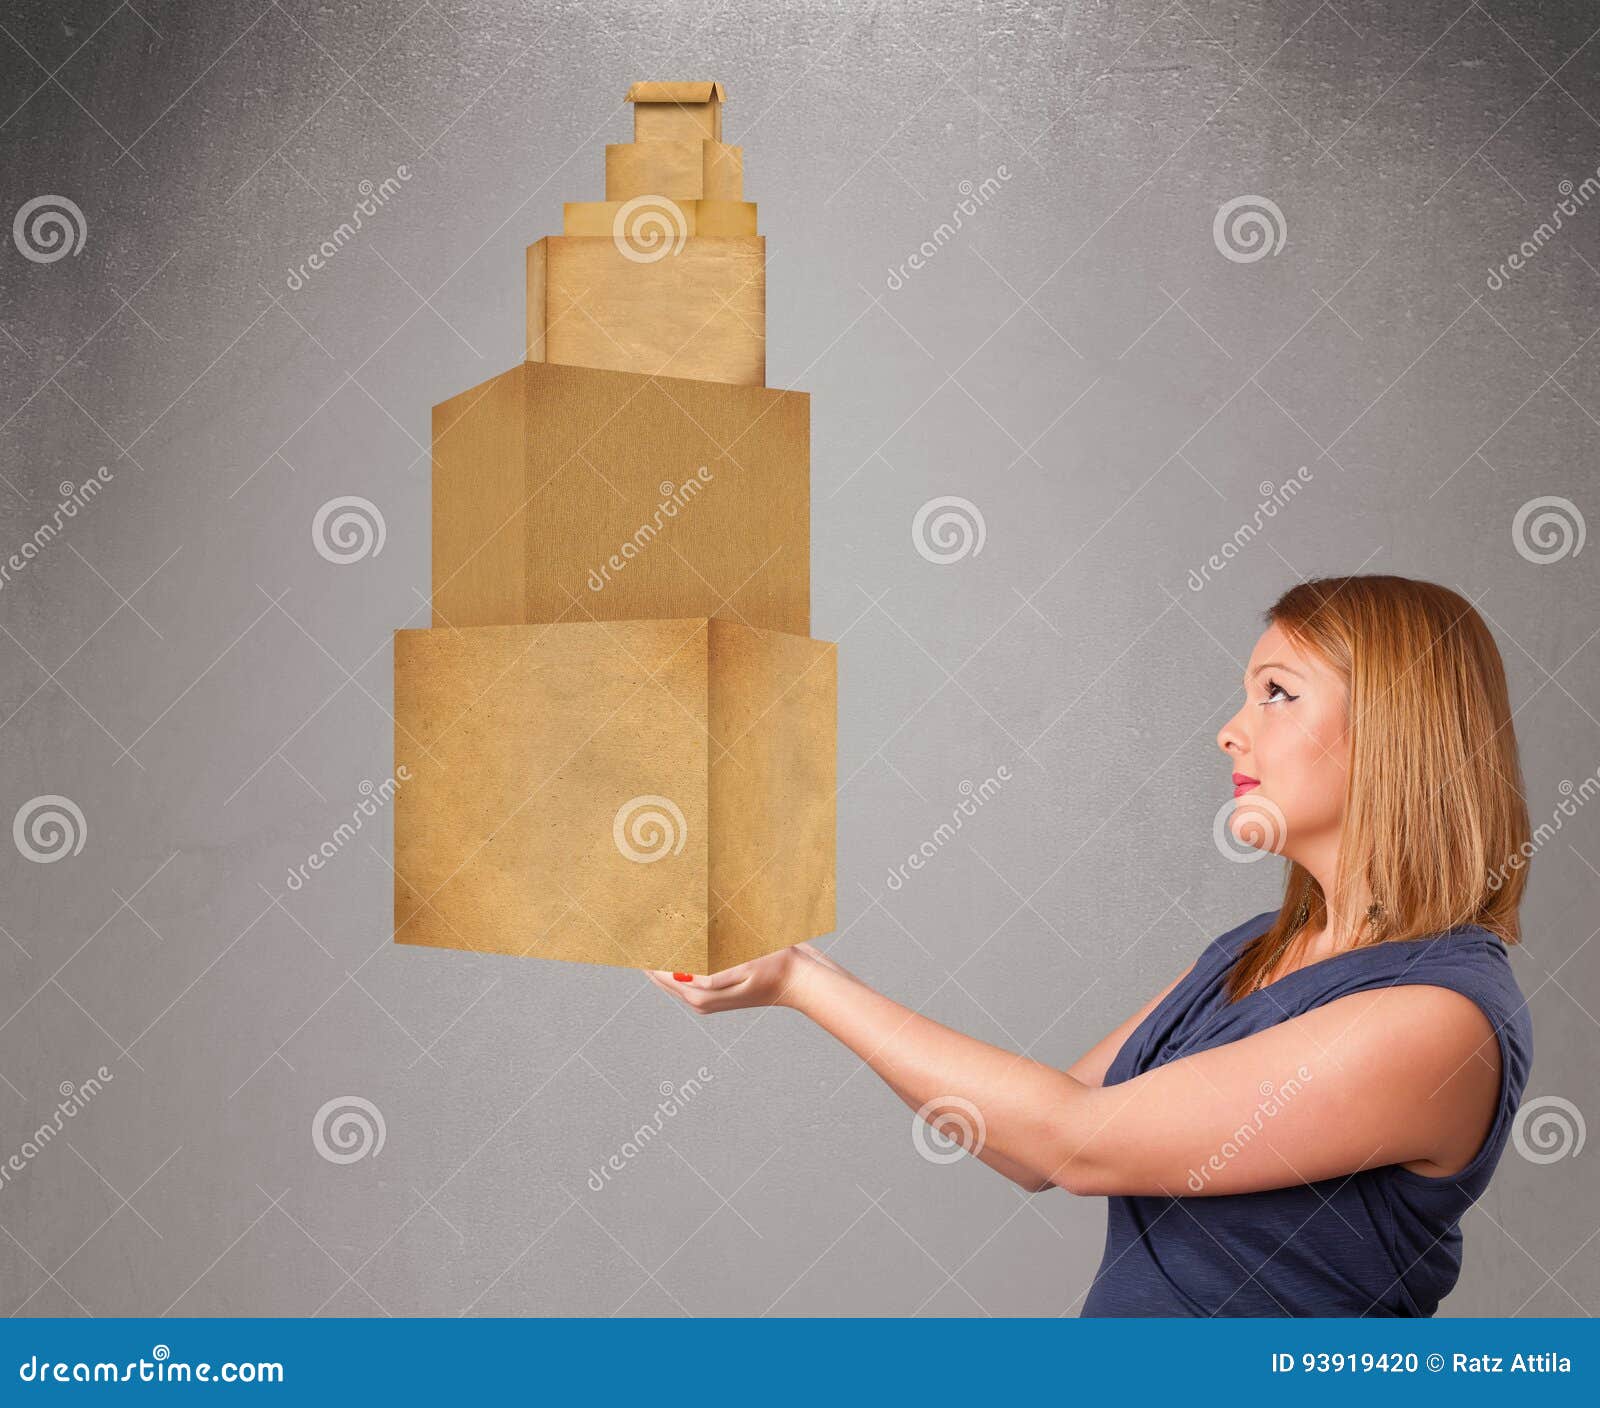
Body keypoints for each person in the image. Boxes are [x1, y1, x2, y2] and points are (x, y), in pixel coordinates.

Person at [646, 574, 1535, 1316]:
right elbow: (1033, 1136)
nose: (1232, 729)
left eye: (1277, 692)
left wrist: (804, 979)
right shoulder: (1251, 954)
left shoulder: (1439, 1023)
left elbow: (1072, 1143)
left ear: (1393, 727)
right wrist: (796, 964)